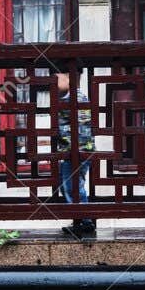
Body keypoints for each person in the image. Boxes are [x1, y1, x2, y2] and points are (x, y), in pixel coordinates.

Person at [54, 71, 96, 238]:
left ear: (69, 78)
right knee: (74, 184)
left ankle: (85, 221)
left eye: (57, 78)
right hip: (80, 150)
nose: (53, 82)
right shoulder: (77, 97)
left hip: (76, 151)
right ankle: (80, 220)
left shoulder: (72, 99)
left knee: (73, 186)